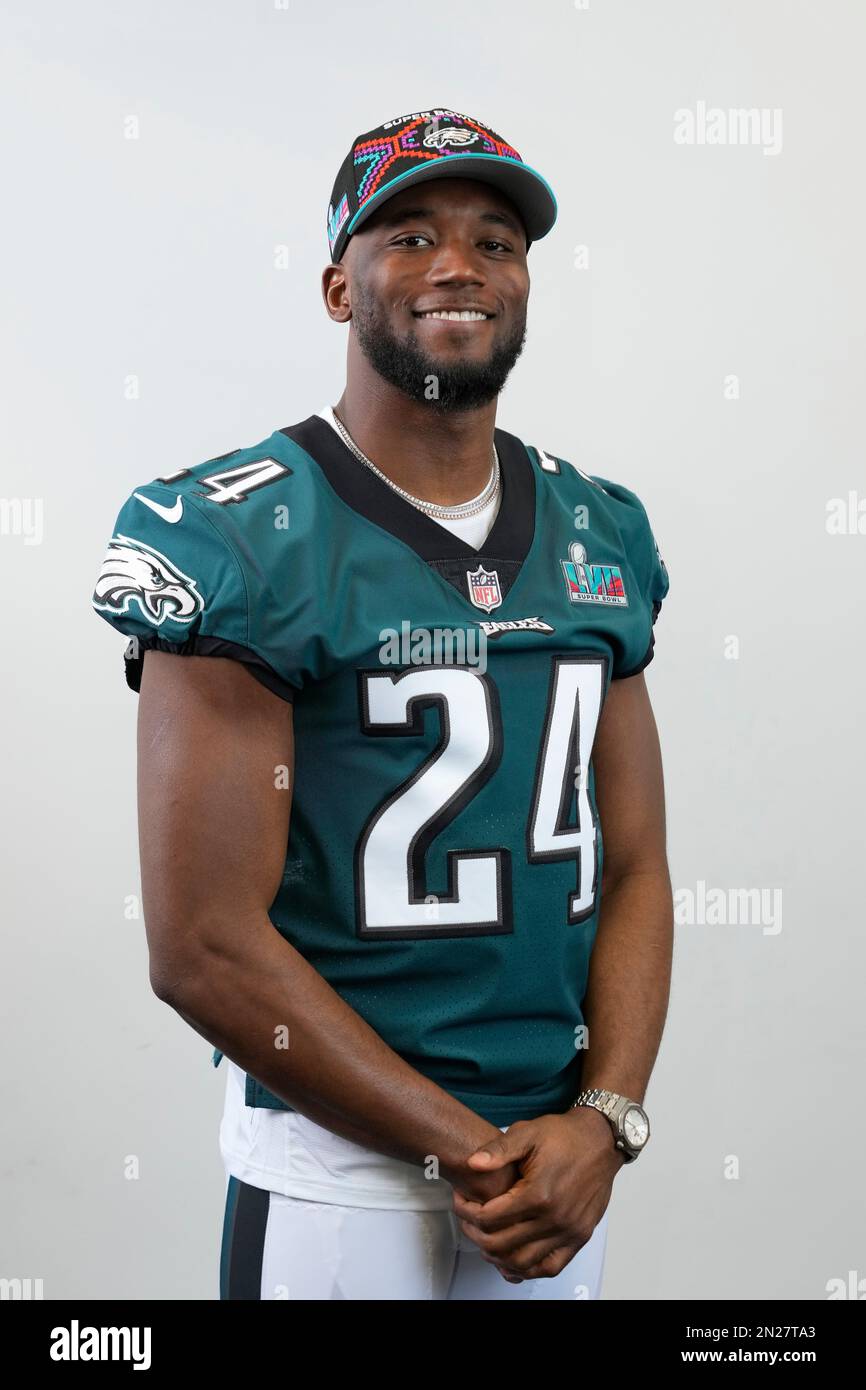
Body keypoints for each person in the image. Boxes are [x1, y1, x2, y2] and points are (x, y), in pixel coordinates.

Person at [91, 106, 673, 1300]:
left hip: (555, 1175)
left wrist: (602, 1122)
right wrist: (477, 1152)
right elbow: (201, 944)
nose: (458, 264)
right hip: (338, 1180)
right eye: (407, 235)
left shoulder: (598, 527)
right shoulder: (239, 532)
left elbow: (636, 866)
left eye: (494, 241)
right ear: (335, 287)